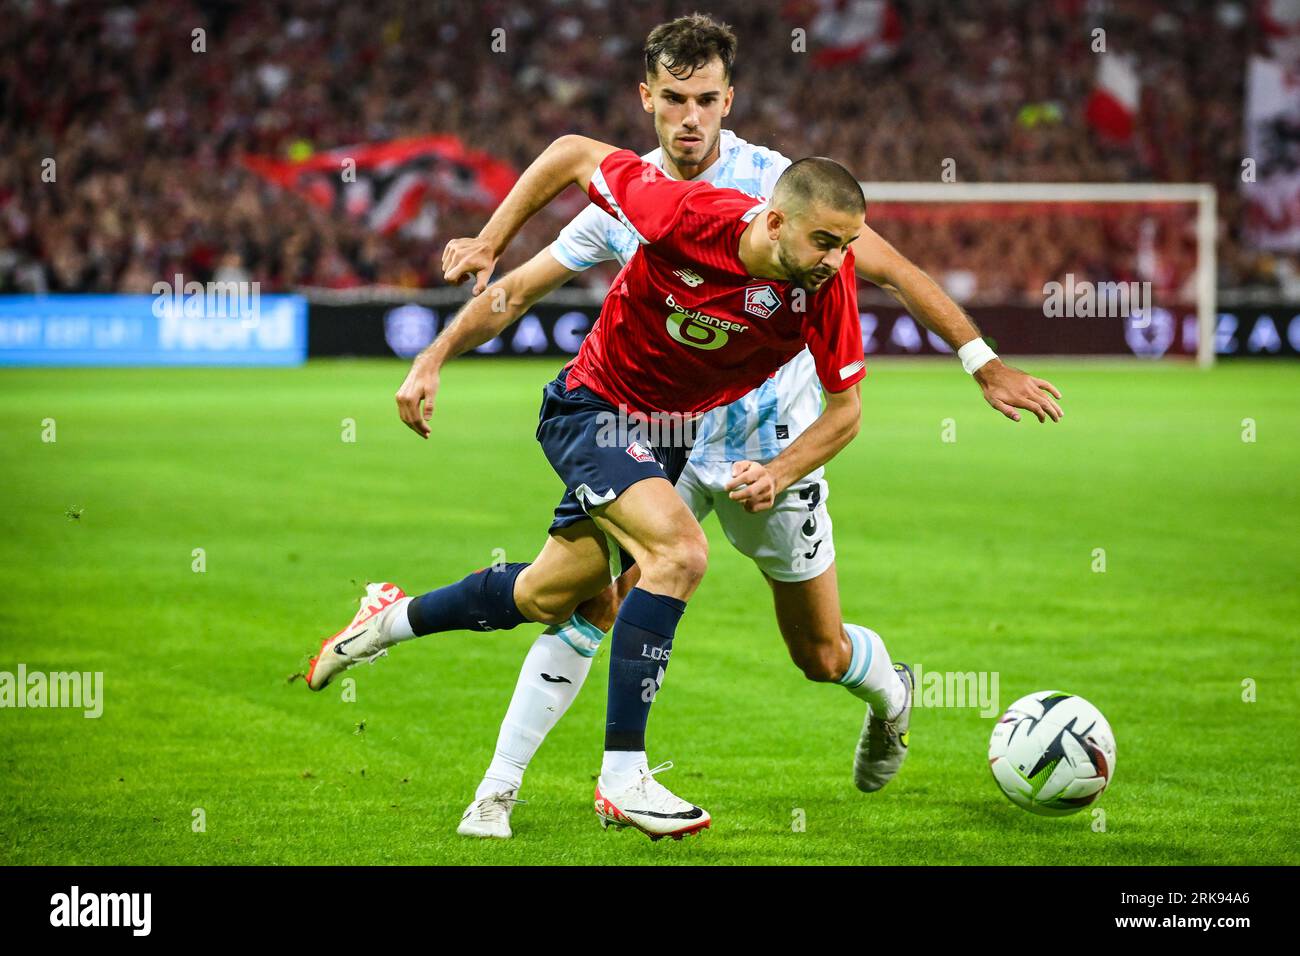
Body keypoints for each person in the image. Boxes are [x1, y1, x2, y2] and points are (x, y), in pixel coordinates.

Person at [389, 14, 1063, 838]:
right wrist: (441, 344)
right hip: (663, 437)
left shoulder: (787, 195)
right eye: (675, 99)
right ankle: (502, 792)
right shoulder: (634, 193)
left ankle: (891, 689)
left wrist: (982, 361)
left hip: (776, 448)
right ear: (647, 99)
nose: (690, 117)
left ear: (728, 99)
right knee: (595, 600)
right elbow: (517, 289)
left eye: (706, 99)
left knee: (817, 655)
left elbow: (891, 271)